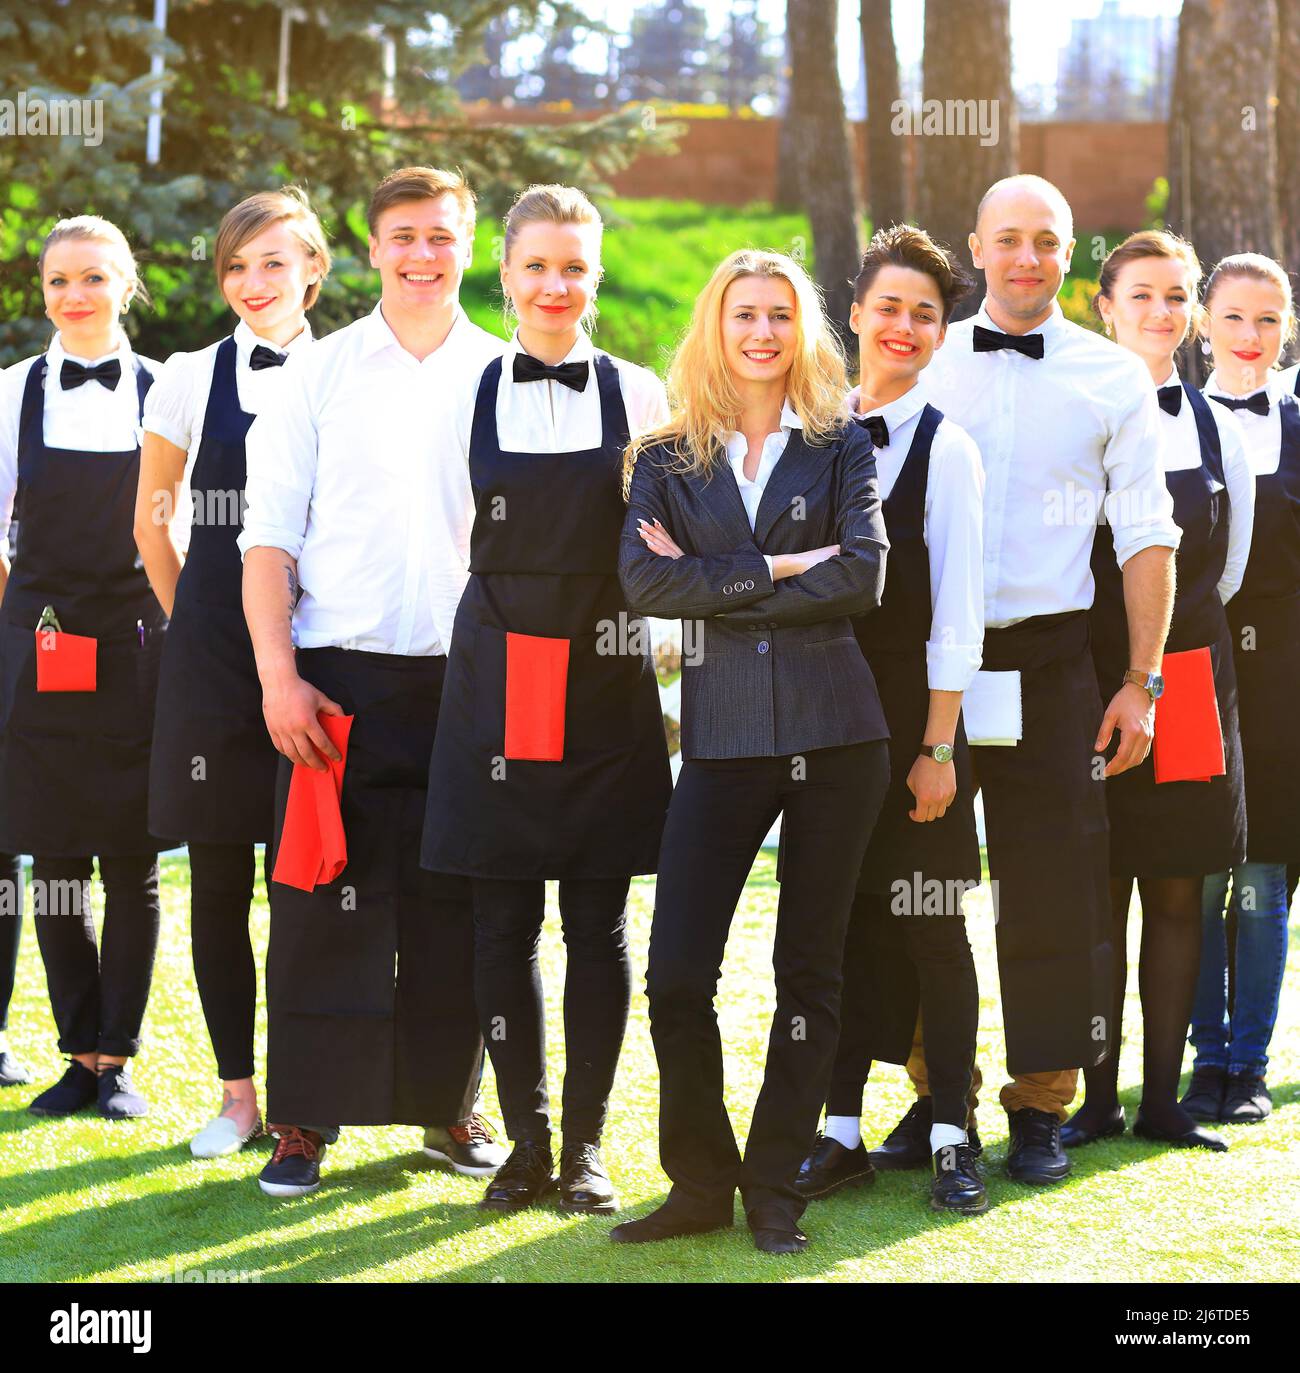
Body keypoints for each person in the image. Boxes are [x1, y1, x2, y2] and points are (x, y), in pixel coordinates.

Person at [875, 175, 1181, 1184]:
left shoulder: (1111, 376)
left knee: (1054, 887)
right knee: (926, 886)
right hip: (933, 671)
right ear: (975, 248)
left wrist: (1140, 679)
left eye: (1045, 241)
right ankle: (937, 1094)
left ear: (1069, 253)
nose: (1026, 258)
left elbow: (1146, 536)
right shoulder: (924, 358)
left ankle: (1041, 1104)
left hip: (1053, 662)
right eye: (1006, 239)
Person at [612, 248, 891, 1254]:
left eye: (779, 314)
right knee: (678, 969)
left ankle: (775, 1184)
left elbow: (862, 576)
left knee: (806, 970)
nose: (762, 332)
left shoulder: (842, 442)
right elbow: (644, 585)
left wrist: (717, 580)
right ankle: (698, 1180)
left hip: (836, 731)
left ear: (801, 329)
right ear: (714, 327)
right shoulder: (662, 458)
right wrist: (774, 565)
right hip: (722, 738)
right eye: (744, 315)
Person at [239, 166, 507, 1196]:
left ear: (468, 245)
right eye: (402, 236)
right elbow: (266, 540)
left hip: (467, 682)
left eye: (440, 236)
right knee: (319, 898)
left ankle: (451, 1105)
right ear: (372, 247)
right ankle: (304, 1115)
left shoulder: (504, 372)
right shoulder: (319, 373)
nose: (421, 254)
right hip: (333, 682)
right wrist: (278, 679)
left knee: (456, 902)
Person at [423, 186, 673, 1214]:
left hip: (605, 671)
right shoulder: (463, 395)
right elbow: (452, 537)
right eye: (536, 266)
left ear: (595, 276)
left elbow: (663, 546)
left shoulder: (643, 394)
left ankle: (584, 1148)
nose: (555, 285)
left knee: (598, 922)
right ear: (505, 275)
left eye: (574, 266)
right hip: (497, 671)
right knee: (499, 922)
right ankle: (523, 1143)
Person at [795, 225, 987, 1215]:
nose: (904, 324)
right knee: (829, 928)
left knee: (931, 929)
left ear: (938, 330)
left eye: (925, 311)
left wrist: (936, 748)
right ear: (855, 313)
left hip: (916, 738)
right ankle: (835, 1132)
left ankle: (954, 1130)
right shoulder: (807, 432)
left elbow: (959, 610)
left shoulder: (949, 450)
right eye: (889, 306)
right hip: (823, 733)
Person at [135, 188, 328, 1158]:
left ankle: (308, 1099)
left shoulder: (345, 374)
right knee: (218, 882)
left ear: (313, 274)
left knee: (310, 884)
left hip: (319, 659)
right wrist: (203, 631)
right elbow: (150, 522)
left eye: (274, 263)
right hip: (209, 667)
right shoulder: (186, 376)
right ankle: (238, 1095)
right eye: (236, 266)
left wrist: (281, 652)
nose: (254, 284)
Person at [1064, 231, 1253, 1154]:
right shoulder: (1079, 407)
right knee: (1099, 891)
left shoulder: (1213, 417)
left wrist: (1177, 664)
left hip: (1189, 678)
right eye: (1142, 294)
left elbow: (1233, 562)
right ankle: (1093, 1100)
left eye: (1177, 296)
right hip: (1096, 679)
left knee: (1181, 889)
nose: (1162, 312)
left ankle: (1163, 1101)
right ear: (1104, 305)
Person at [0, 217, 164, 1120]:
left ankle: (121, 1060)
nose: (74, 297)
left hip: (137, 644)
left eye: (94, 278)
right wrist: (26, 628)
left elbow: (175, 528)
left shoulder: (166, 390)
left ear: (127, 282)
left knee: (131, 861)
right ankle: (78, 1056)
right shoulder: (11, 392)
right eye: (59, 280)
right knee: (56, 854)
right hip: (48, 640)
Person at [1186, 253, 1300, 1126]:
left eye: (1268, 320)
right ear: (1202, 320)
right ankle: (1200, 1061)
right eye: (1233, 317)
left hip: (1285, 685)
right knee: (1195, 873)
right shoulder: (1168, 419)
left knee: (1263, 874)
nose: (1251, 337)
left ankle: (1246, 1065)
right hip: (1191, 670)